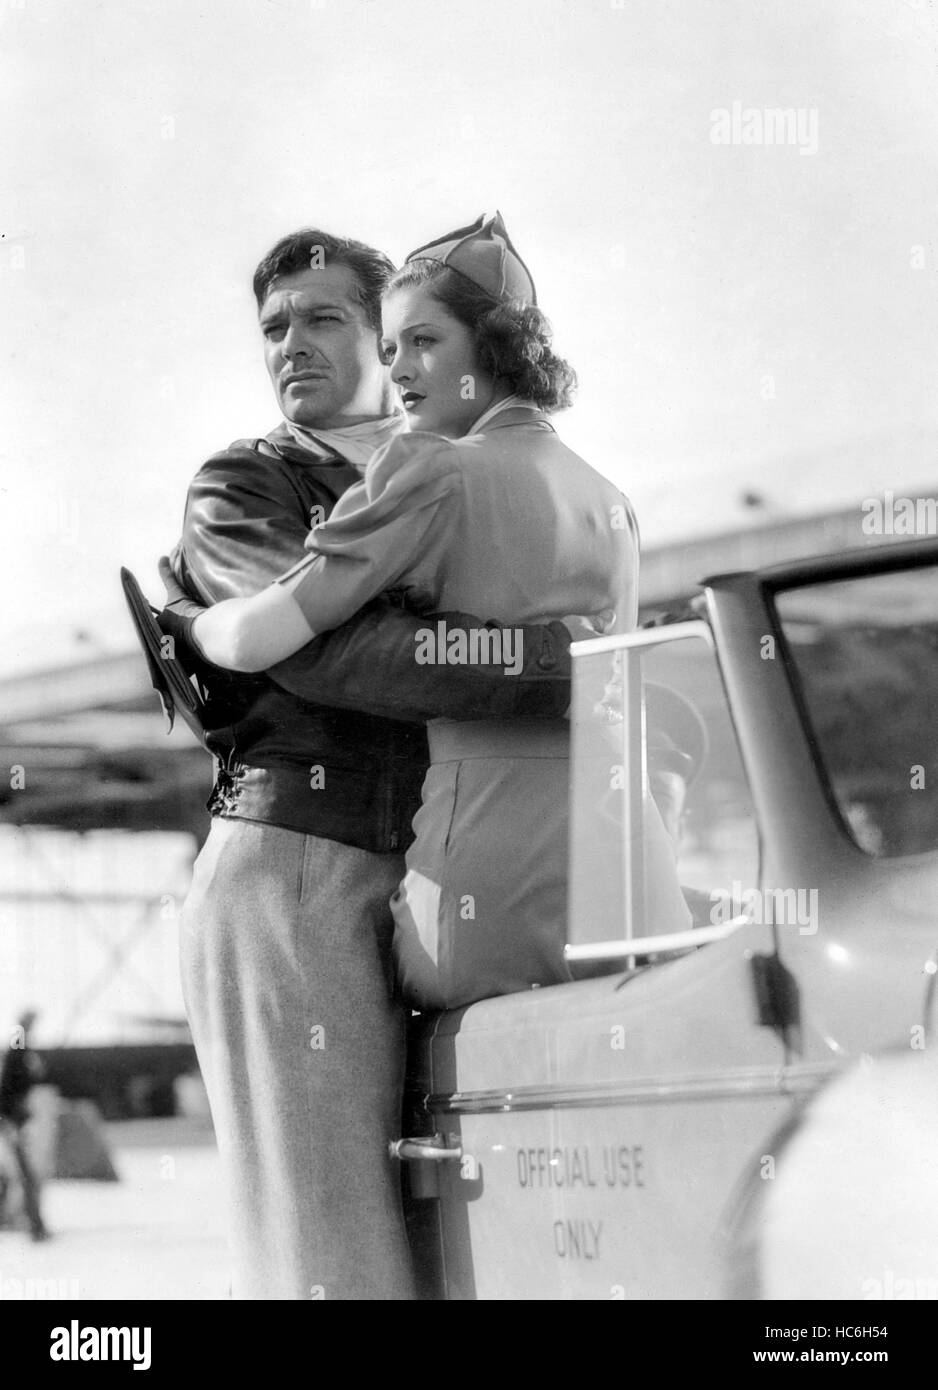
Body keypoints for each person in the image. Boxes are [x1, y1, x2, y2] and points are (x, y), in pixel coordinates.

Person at [162, 225, 577, 1301]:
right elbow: (342, 657)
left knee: (477, 1232)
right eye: (273, 328)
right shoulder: (241, 486)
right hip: (301, 864)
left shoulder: (455, 466)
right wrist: (560, 658)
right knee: (335, 1261)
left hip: (446, 861)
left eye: (323, 318)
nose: (290, 345)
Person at [182, 213, 687, 1011]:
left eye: (422, 342)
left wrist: (189, 622)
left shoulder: (426, 468)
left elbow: (274, 640)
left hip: (479, 882)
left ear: (490, 347)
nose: (404, 369)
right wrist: (573, 664)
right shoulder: (613, 498)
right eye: (395, 349)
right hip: (629, 885)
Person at [0, 1010, 49, 1241]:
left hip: (13, 1120)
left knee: (22, 1174)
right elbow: (16, 1077)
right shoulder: (18, 1047)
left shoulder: (18, 1048)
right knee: (26, 1175)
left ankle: (32, 1222)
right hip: (13, 1122)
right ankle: (35, 1225)